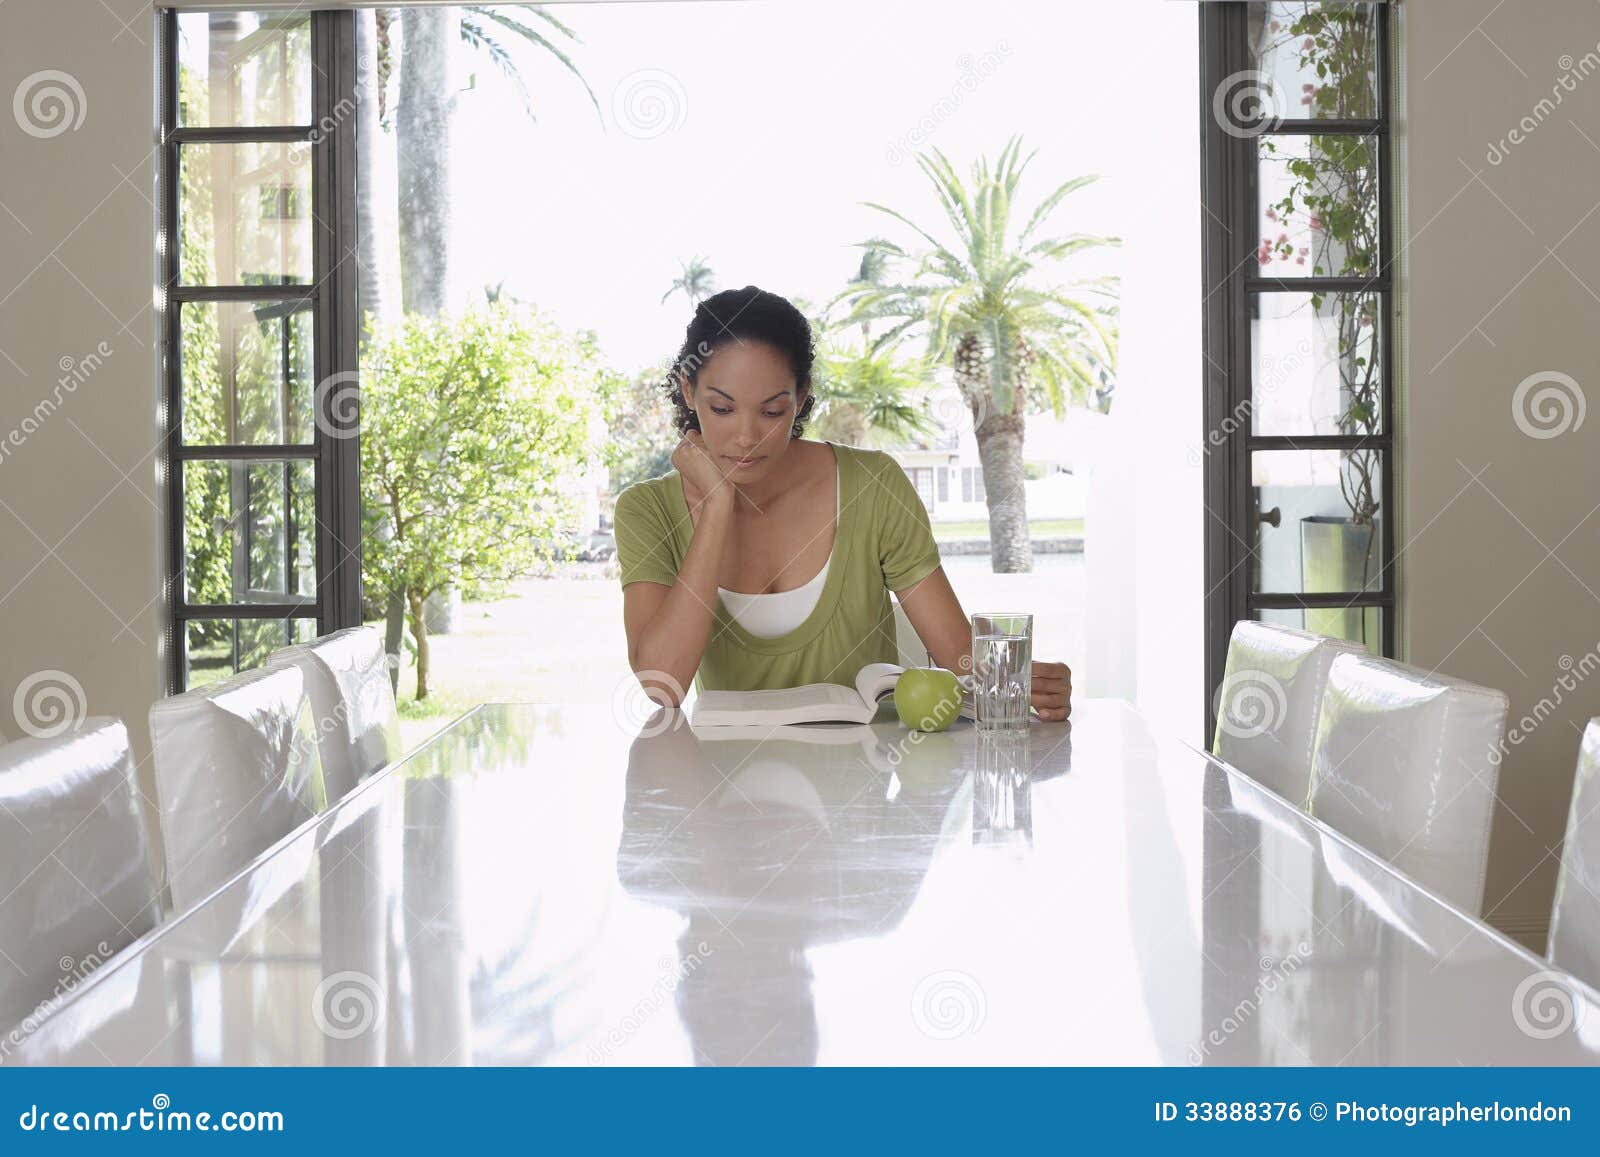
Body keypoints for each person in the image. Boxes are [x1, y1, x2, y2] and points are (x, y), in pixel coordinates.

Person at [612, 285, 1071, 720]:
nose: (747, 436)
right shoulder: (647, 510)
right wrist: (716, 509)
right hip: (724, 776)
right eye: (722, 409)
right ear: (688, 390)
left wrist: (1023, 681)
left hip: (869, 772)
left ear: (801, 396)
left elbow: (959, 656)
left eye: (772, 411)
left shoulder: (873, 485)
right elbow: (663, 686)